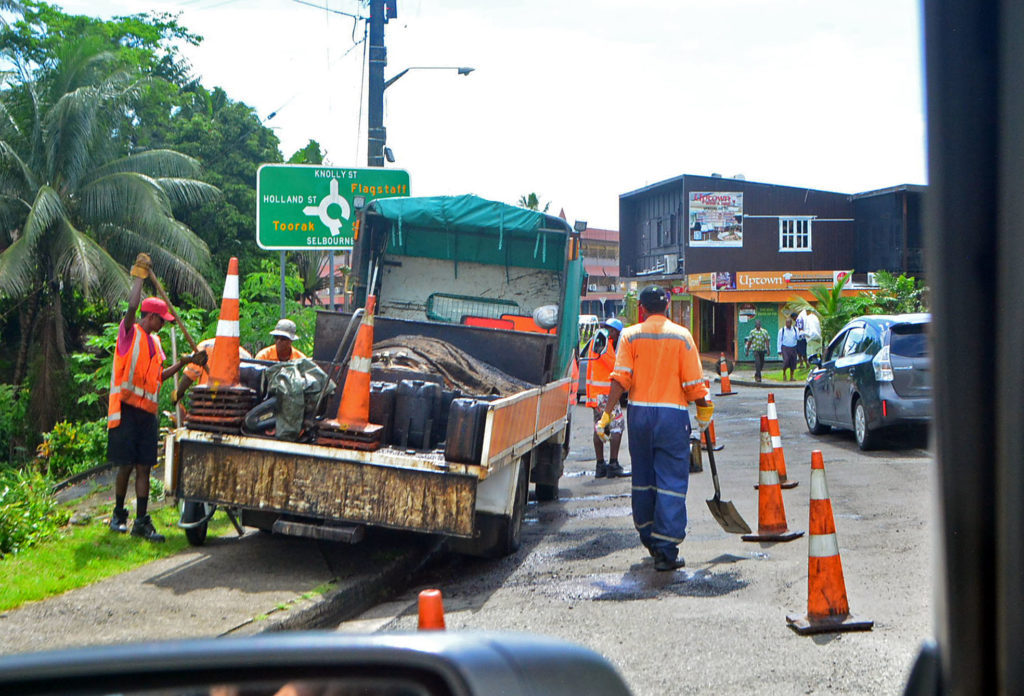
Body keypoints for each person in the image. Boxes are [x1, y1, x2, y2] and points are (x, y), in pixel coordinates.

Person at [598, 286, 713, 571]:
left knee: (644, 478)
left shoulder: (630, 335)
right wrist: (703, 408)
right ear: (668, 306)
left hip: (639, 417)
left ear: (642, 308)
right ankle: (665, 549)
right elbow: (694, 385)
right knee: (672, 481)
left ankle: (649, 535)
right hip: (672, 417)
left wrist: (606, 414)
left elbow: (621, 378)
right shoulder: (682, 336)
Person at [108, 253, 207, 542]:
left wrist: (188, 360)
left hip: (147, 414)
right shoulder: (129, 333)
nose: (163, 323)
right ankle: (117, 515)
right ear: (150, 316)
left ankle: (141, 520)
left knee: (143, 467)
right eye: (161, 319)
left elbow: (159, 377)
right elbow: (131, 306)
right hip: (126, 411)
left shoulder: (155, 342)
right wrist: (139, 277)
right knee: (125, 466)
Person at [586, 318, 626, 478]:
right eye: (617, 334)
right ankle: (613, 464)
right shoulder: (604, 341)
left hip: (595, 393)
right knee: (617, 425)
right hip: (605, 394)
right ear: (614, 331)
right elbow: (615, 365)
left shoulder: (596, 339)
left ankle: (600, 465)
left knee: (599, 426)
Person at [174, 337, 253, 402]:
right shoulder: (245, 355)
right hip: (232, 405)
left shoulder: (205, 346)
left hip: (206, 403)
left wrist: (177, 395)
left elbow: (189, 377)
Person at [778, 316, 799, 381]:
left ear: (791, 323)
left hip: (793, 347)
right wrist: (779, 350)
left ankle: (791, 376)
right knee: (786, 361)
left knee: (793, 362)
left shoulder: (795, 329)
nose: (788, 324)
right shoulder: (782, 330)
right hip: (785, 348)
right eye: (787, 323)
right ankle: (784, 373)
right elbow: (779, 340)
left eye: (789, 323)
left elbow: (798, 338)